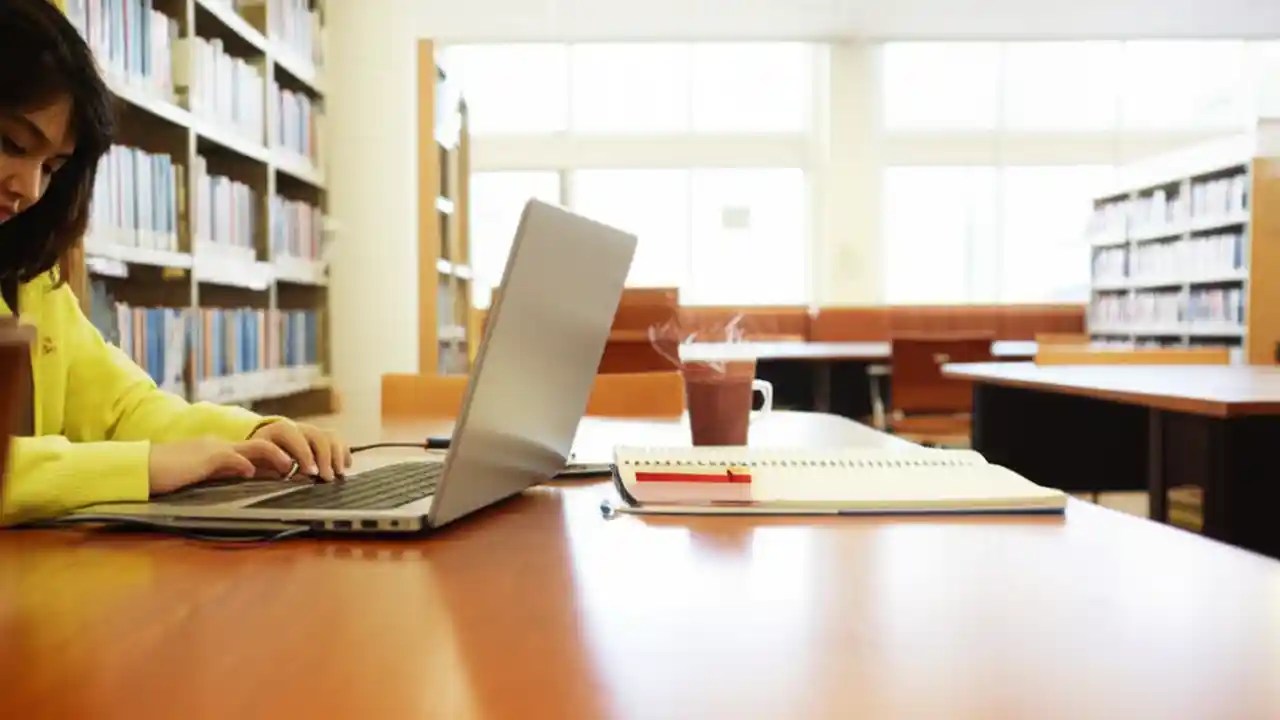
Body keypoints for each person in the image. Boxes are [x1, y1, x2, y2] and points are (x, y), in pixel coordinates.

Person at [0, 0, 348, 524]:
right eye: (11, 144)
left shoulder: (32, 279)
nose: (29, 189)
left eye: (51, 167)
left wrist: (247, 436)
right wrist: (144, 467)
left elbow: (123, 408)